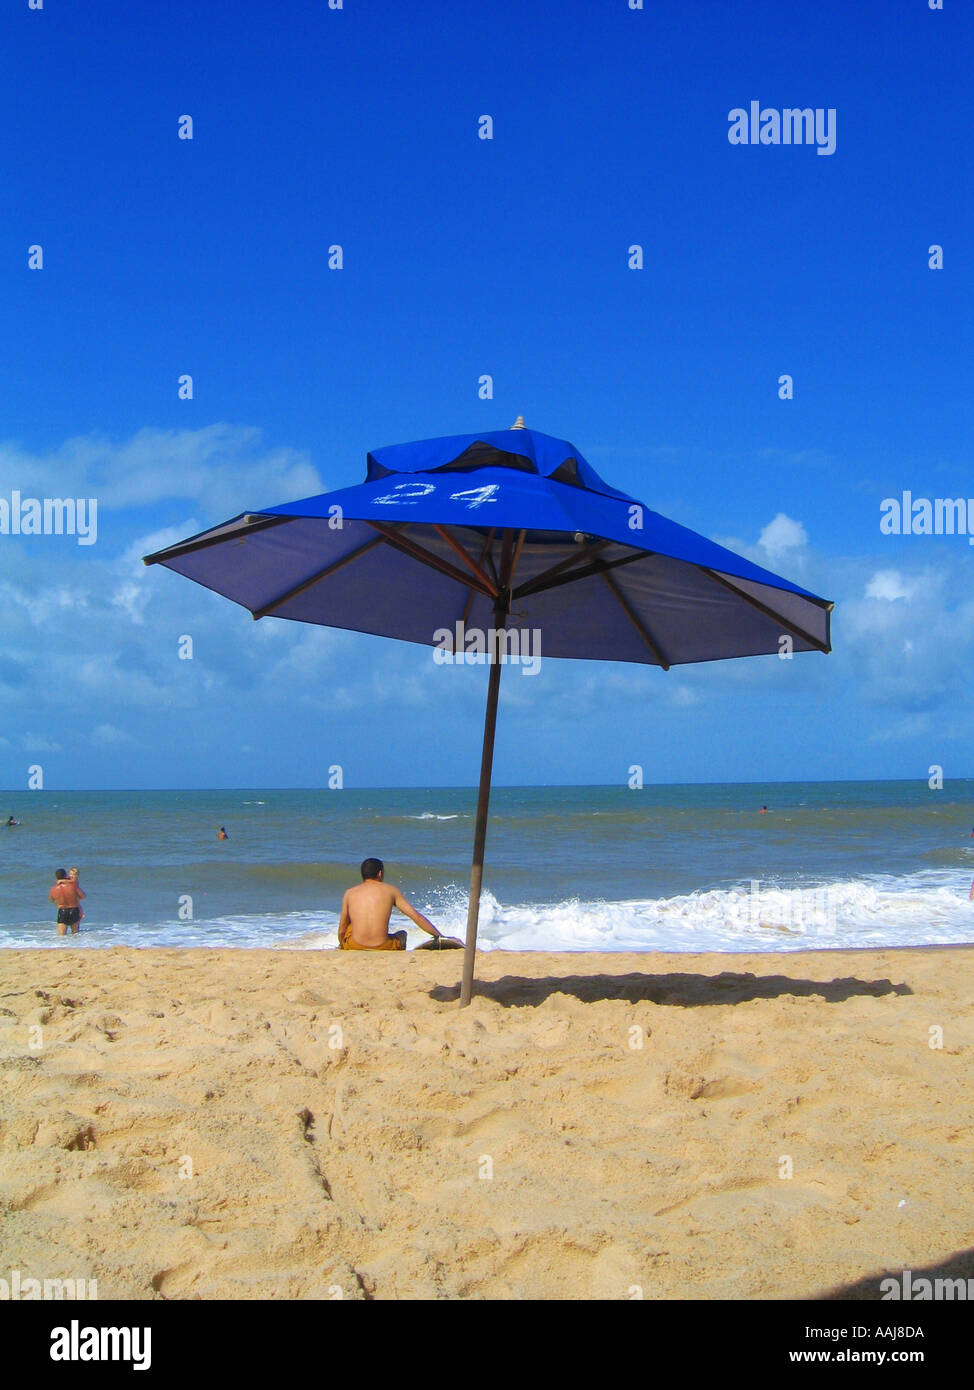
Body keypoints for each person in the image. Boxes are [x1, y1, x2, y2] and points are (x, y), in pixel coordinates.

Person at [337, 857, 446, 951]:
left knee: (351, 926)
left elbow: (342, 929)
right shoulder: (390, 890)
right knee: (402, 935)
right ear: (380, 873)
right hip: (383, 946)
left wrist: (342, 945)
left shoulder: (350, 893)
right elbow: (416, 916)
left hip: (355, 946)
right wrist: (439, 936)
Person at [49, 868, 85, 936]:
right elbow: (83, 896)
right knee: (75, 934)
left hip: (62, 911)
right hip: (74, 910)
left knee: (61, 936)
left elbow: (51, 900)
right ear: (66, 876)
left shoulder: (53, 889)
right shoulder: (73, 885)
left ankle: (63, 946)